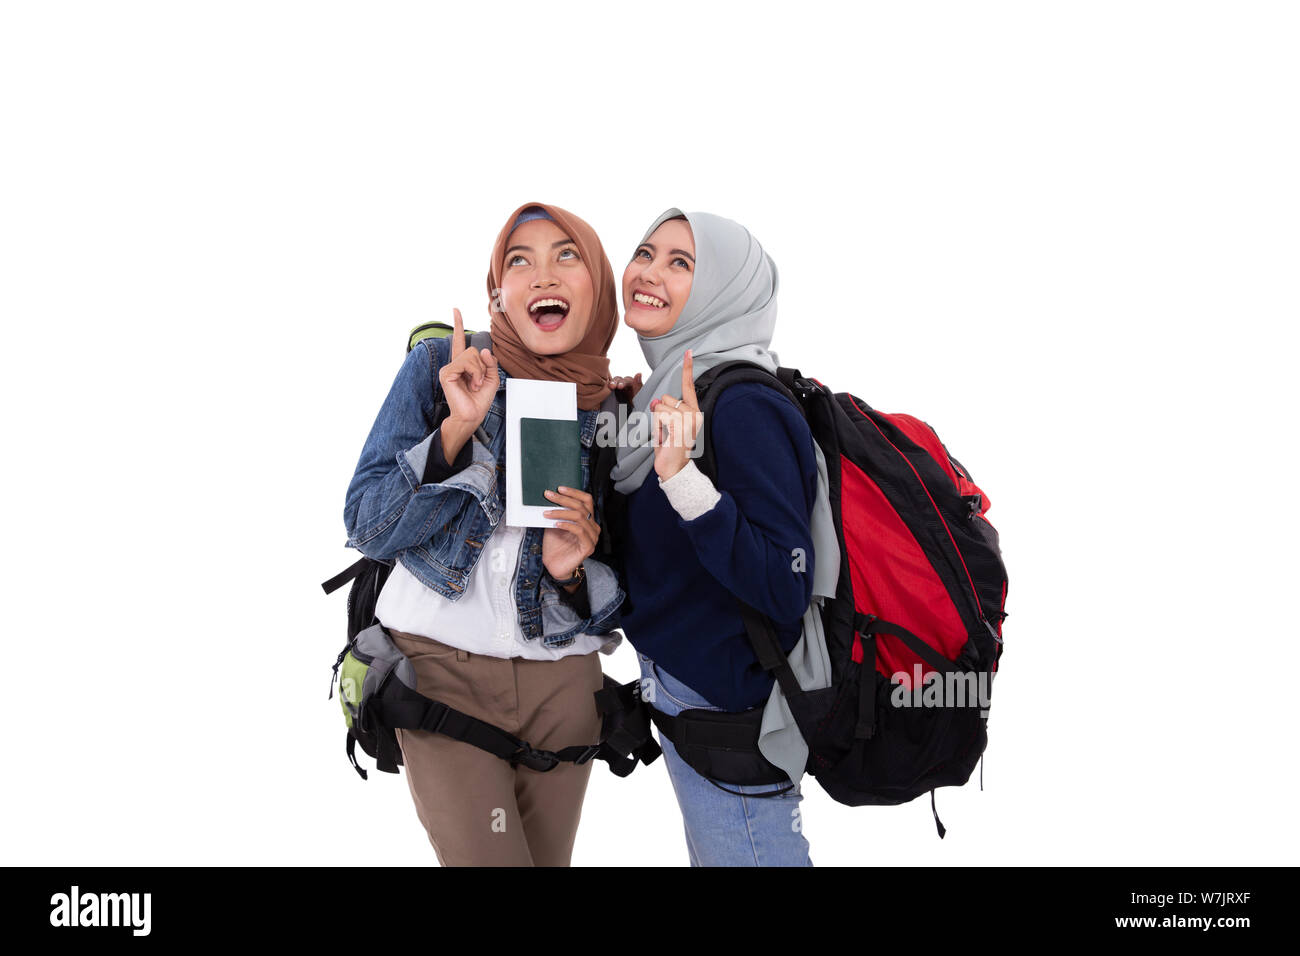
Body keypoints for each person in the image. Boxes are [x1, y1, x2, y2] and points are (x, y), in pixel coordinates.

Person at [343, 202, 623, 866]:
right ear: (498, 287)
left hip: (566, 686)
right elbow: (366, 523)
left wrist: (572, 574)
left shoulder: (617, 411)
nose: (541, 275)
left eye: (566, 256)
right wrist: (455, 434)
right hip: (441, 673)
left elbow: (632, 591)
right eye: (518, 261)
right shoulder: (446, 368)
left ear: (598, 287)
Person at [609, 208, 821, 866]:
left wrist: (680, 477)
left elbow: (783, 583)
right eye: (646, 252)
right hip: (684, 698)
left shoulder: (744, 406)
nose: (649, 272)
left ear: (724, 292)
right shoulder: (666, 398)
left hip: (730, 715)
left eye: (681, 263)